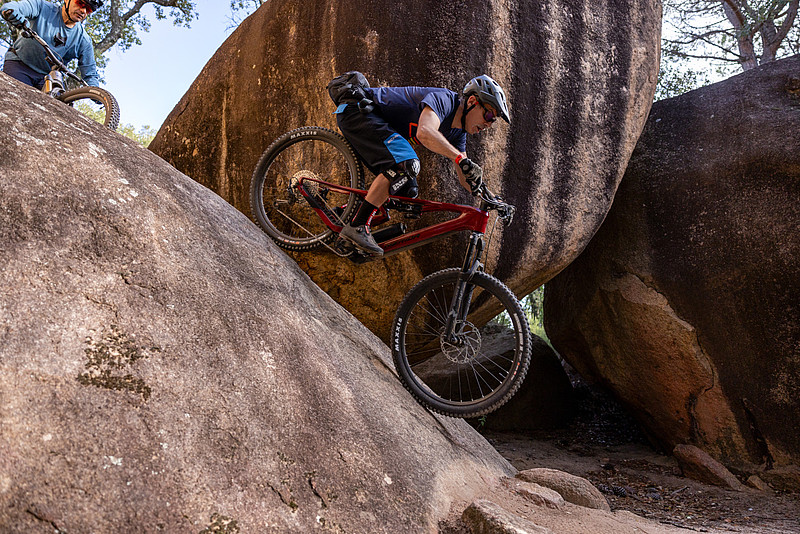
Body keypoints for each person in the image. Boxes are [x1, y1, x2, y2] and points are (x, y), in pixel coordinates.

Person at [332, 74, 510, 256]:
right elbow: (425, 132)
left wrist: (492, 198)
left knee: (407, 190)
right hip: (357, 111)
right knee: (407, 165)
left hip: (375, 124)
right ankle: (358, 226)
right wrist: (459, 158)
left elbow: (467, 177)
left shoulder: (458, 133)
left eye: (493, 120)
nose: (488, 123)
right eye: (488, 114)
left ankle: (342, 214)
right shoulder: (445, 101)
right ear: (472, 101)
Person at [2, 0, 102, 89]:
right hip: (19, 64)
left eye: (88, 9)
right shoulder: (43, 7)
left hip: (48, 77)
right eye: (80, 3)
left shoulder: (83, 40)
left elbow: (90, 74)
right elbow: (13, 7)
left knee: (61, 106)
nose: (83, 11)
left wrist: (98, 93)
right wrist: (12, 12)